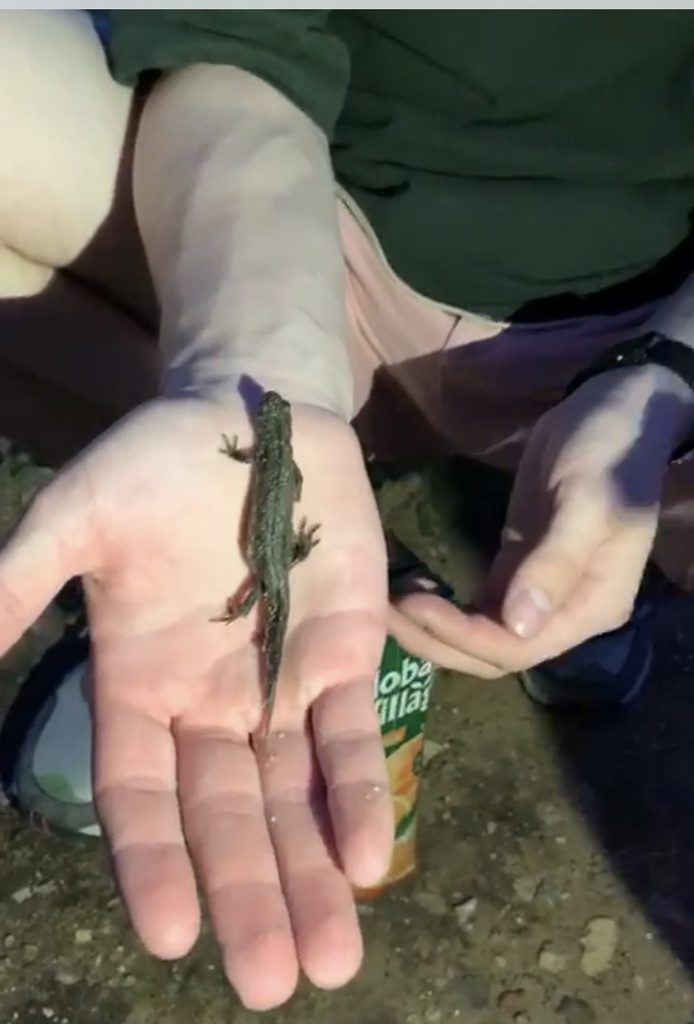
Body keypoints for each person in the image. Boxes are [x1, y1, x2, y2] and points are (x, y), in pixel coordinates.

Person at [2, 9, 694, 1012]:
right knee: (272, 571)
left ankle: (571, 573)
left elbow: (263, 456)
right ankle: (365, 577)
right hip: (309, 242)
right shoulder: (266, 446)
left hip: (646, 345)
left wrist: (669, 375)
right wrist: (247, 351)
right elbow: (246, 46)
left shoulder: (264, 452)